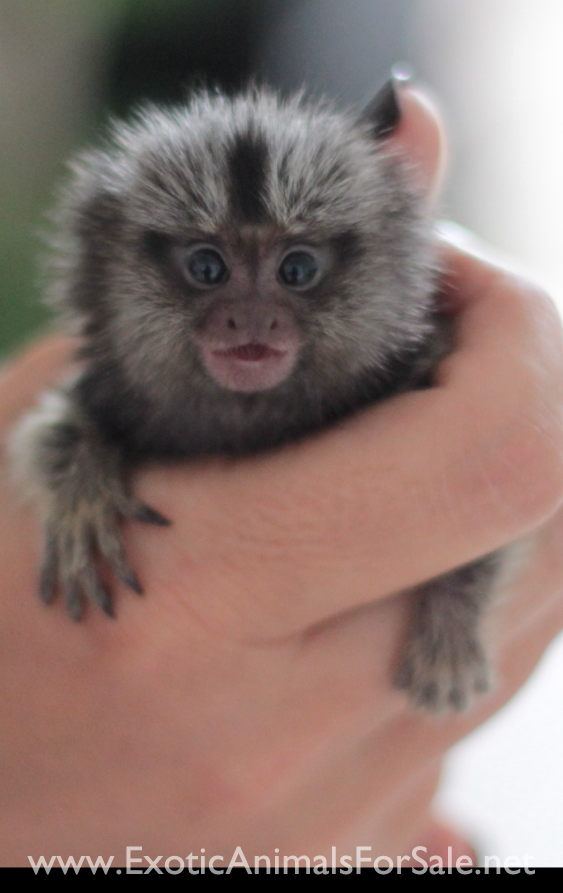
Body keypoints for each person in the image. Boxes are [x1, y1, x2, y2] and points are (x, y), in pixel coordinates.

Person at [1, 92, 563, 870]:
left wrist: (450, 618)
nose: (251, 316)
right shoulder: (113, 392)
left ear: (393, 264)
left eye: (296, 271)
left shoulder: (417, 374)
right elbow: (56, 429)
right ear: (103, 267)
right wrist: (78, 489)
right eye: (207, 269)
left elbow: (480, 495)